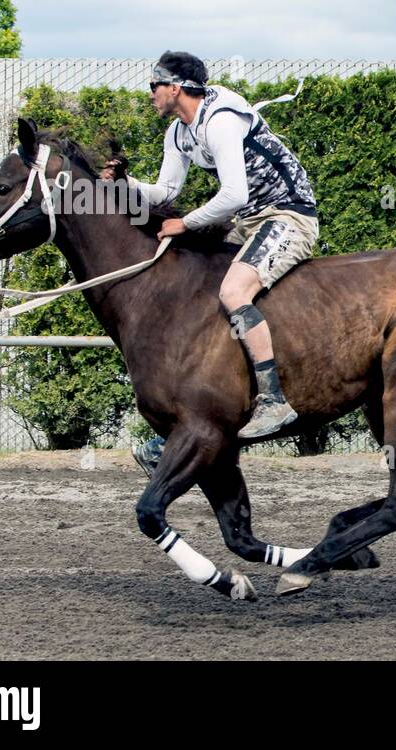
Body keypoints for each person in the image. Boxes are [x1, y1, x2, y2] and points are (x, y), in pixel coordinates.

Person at [111, 52, 319, 475]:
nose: (150, 93)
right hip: (246, 222)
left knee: (232, 291)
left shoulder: (221, 119)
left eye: (155, 85)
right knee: (196, 288)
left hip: (287, 215)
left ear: (176, 87)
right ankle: (198, 415)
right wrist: (126, 185)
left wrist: (183, 224)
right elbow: (166, 189)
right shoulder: (179, 132)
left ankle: (274, 401)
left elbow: (234, 196)